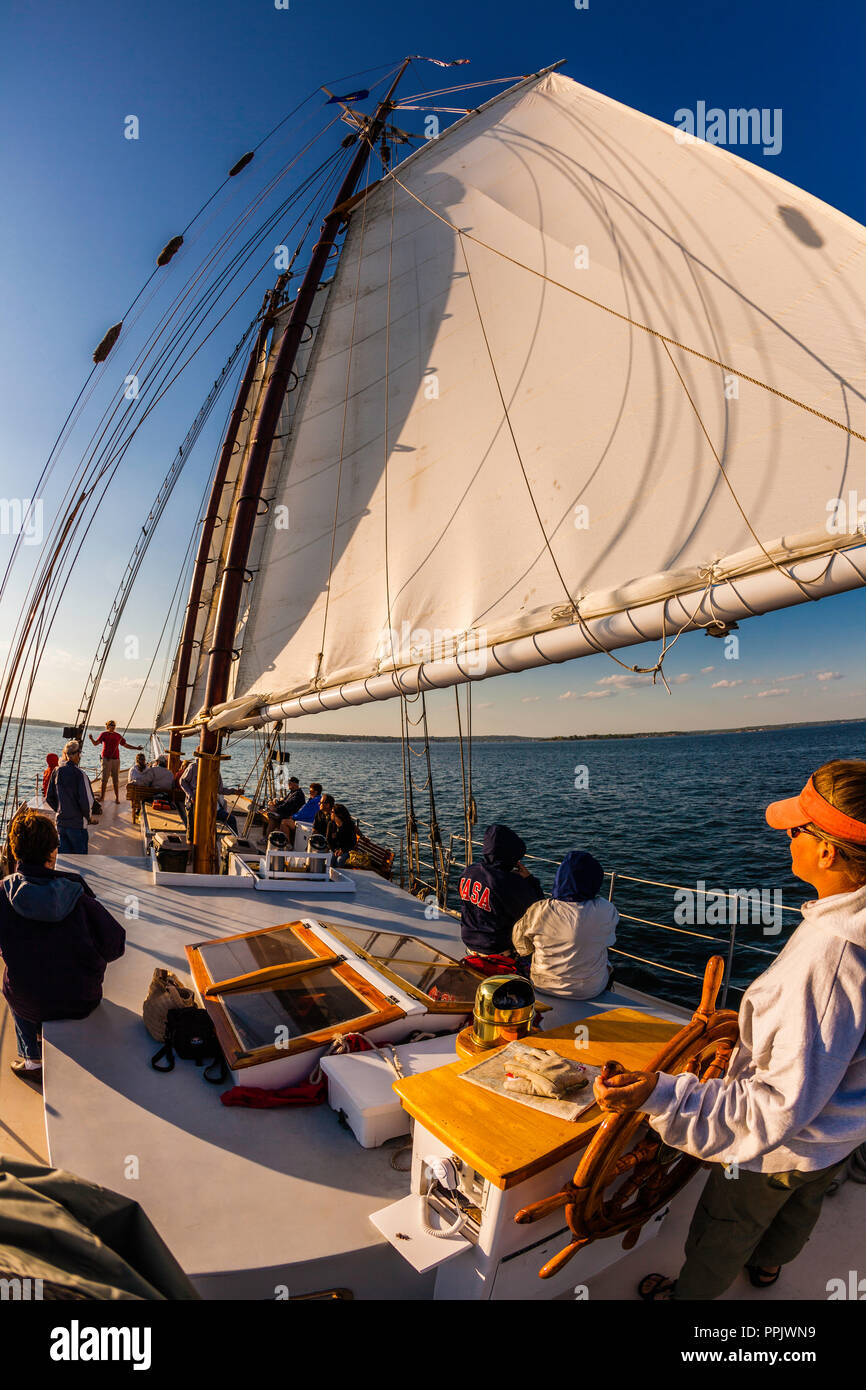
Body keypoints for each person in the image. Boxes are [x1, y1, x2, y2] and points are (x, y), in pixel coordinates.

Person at [594, 759, 866, 1302]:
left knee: (726, 1227)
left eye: (797, 830)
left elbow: (774, 1109)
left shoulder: (830, 958)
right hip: (840, 1137)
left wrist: (662, 1094)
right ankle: (768, 1269)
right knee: (801, 1209)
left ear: (827, 851)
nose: (787, 838)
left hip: (783, 1152)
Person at [0, 809, 125, 1084]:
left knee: (11, 983)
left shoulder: (3, 893)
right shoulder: (76, 890)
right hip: (81, 998)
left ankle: (32, 1059)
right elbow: (115, 944)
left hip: (29, 1001)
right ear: (52, 852)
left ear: (15, 851)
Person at [513, 850, 618, 998]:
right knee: (606, 962)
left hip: (543, 985)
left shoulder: (539, 909)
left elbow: (521, 945)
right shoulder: (606, 909)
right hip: (590, 990)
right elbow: (609, 941)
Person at [459, 824, 543, 960]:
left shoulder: (469, 871)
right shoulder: (509, 883)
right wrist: (529, 880)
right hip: (497, 951)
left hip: (470, 944)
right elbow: (538, 910)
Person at [45, 740, 93, 854]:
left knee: (65, 861)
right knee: (80, 861)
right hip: (77, 825)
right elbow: (87, 801)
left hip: (61, 824)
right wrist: (89, 818)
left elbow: (49, 797)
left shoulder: (56, 771)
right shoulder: (80, 774)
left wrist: (60, 809)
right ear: (77, 754)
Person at [179, 759, 238, 834]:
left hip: (212, 807)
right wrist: (191, 795)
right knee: (192, 831)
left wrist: (234, 791)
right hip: (194, 804)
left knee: (231, 819)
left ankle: (236, 840)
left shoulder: (215, 770)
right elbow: (182, 781)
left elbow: (220, 790)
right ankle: (191, 843)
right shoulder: (193, 767)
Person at [89, 720, 142, 804]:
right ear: (107, 726)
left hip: (116, 760)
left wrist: (136, 748)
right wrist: (91, 739)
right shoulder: (104, 734)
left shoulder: (118, 736)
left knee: (115, 779)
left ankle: (117, 798)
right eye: (111, 725)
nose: (113, 726)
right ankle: (102, 797)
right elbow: (95, 743)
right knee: (104, 779)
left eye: (114, 725)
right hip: (106, 759)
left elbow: (125, 745)